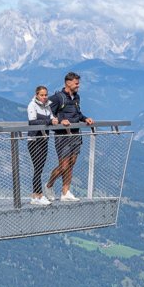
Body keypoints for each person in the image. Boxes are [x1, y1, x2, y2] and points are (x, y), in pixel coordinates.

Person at [47, 71, 94, 201]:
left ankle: (65, 192)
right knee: (64, 165)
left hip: (76, 134)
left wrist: (85, 119)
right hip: (62, 136)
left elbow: (78, 114)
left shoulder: (76, 97)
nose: (78, 85)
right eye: (76, 83)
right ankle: (49, 185)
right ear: (68, 83)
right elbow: (48, 113)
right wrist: (60, 120)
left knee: (72, 163)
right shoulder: (57, 97)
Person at [25, 85, 54, 206]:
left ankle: (35, 196)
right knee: (37, 168)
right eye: (42, 95)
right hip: (34, 140)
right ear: (36, 95)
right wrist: (49, 121)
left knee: (40, 168)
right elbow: (32, 121)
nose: (44, 97)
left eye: (46, 95)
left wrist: (56, 120)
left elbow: (52, 118)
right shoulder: (32, 105)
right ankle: (38, 195)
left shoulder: (47, 106)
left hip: (44, 139)